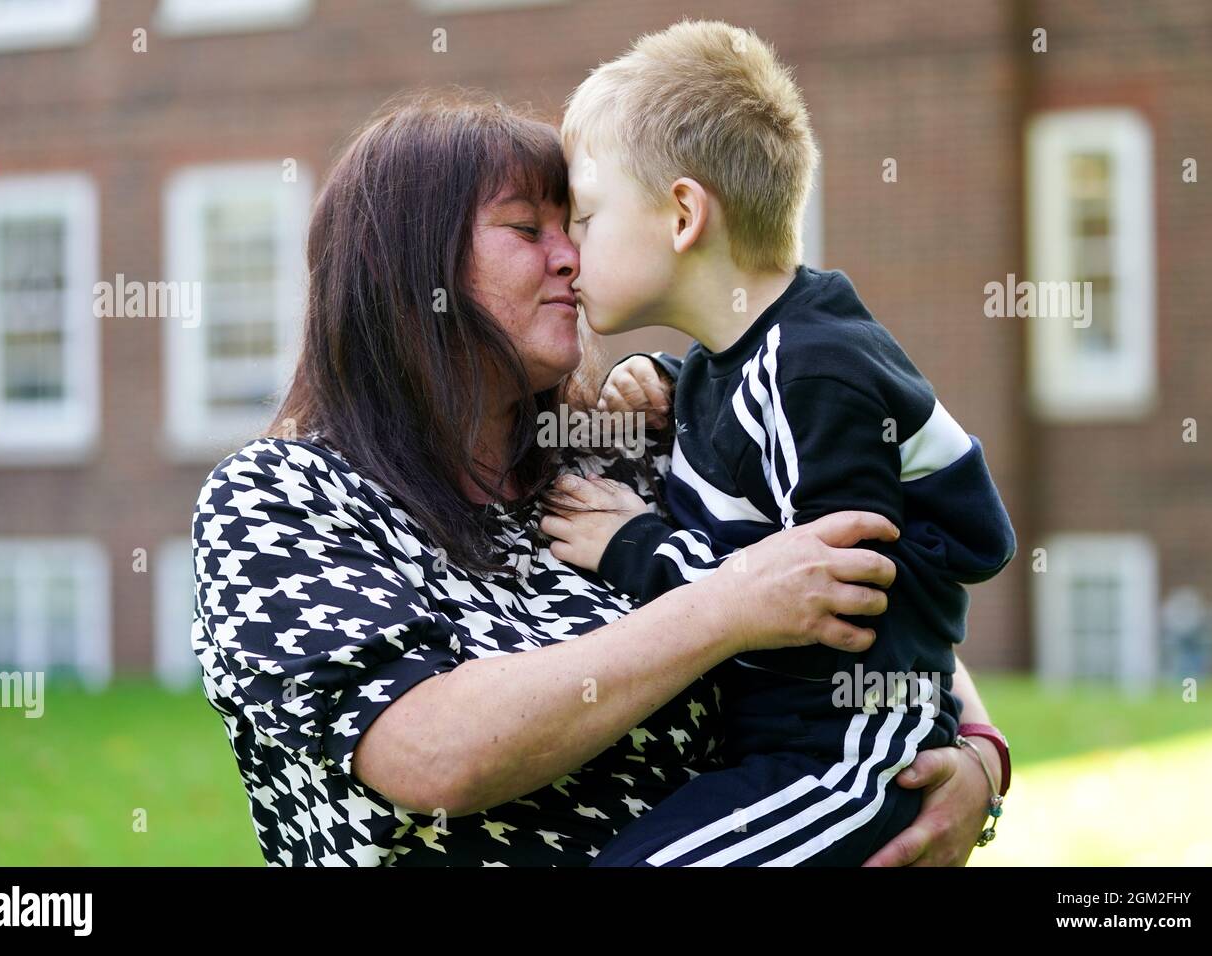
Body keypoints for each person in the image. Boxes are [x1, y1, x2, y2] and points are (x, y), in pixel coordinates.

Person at [191, 89, 1007, 866]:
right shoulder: (279, 499)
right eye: (526, 229)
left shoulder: (630, 445)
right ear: (409, 275)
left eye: (576, 221)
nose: (571, 257)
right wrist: (725, 606)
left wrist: (977, 756)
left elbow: (846, 583)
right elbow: (430, 753)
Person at [541, 20, 1015, 865]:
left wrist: (631, 546)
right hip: (781, 747)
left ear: (683, 214)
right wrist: (668, 380)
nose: (569, 255)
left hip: (851, 756)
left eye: (584, 217)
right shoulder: (759, 356)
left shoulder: (815, 376)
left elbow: (830, 601)